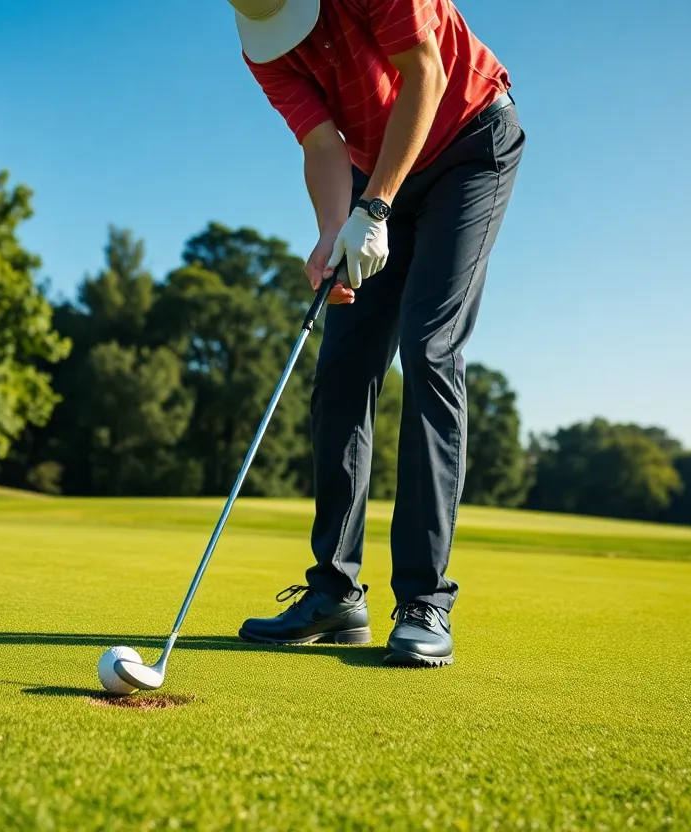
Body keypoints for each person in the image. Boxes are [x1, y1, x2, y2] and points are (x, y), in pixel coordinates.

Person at [228, 0, 525, 667]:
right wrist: (336, 228)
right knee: (342, 367)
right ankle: (335, 593)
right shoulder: (262, 46)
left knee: (429, 348)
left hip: (468, 143)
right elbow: (322, 143)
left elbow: (425, 74)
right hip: (375, 174)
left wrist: (377, 206)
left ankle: (424, 602)